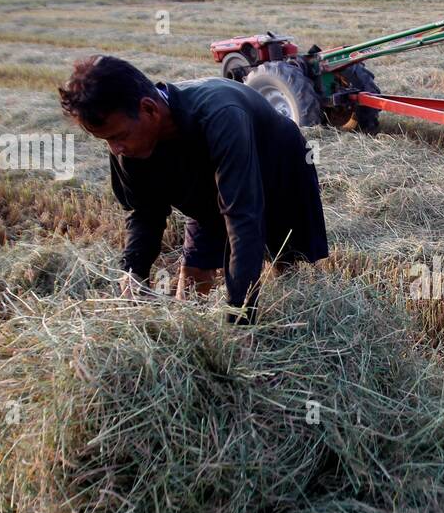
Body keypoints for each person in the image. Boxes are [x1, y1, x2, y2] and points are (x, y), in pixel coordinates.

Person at [57, 55, 329, 320]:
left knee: (285, 258)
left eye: (118, 137)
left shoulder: (220, 115)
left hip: (276, 161)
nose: (114, 149)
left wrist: (240, 318)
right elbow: (144, 211)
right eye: (105, 140)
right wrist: (134, 271)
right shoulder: (127, 144)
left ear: (150, 109)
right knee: (193, 275)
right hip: (205, 175)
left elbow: (243, 216)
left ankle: (288, 320)